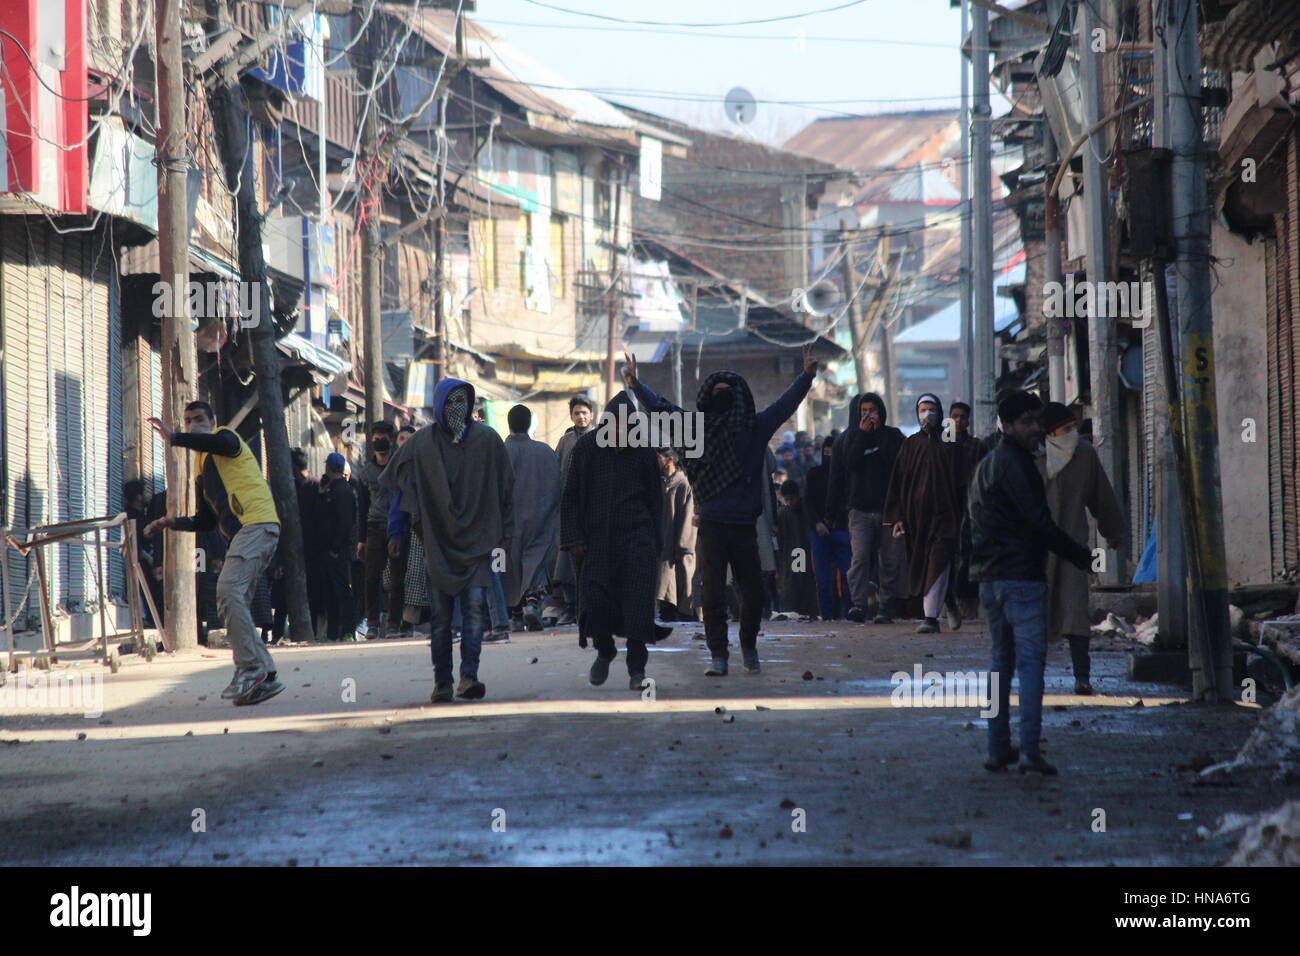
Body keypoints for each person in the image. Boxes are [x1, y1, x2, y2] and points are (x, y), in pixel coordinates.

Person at [623, 345, 818, 676]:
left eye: (728, 393)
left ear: (740, 397)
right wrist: (635, 384)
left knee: (753, 592)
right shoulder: (696, 430)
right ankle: (718, 654)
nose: (723, 398)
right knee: (712, 593)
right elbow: (661, 408)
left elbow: (785, 405)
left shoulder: (754, 428)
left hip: (744, 526)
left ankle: (749, 646)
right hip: (712, 524)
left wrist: (807, 377)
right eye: (717, 393)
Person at [968, 391, 1093, 775]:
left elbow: (969, 523)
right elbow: (1039, 523)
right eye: (1025, 422)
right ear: (1006, 426)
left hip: (991, 580)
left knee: (1000, 664)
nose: (1035, 428)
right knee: (1030, 665)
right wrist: (1078, 555)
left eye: (1036, 420)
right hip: (1021, 578)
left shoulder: (987, 465)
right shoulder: (1017, 466)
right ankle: (1030, 752)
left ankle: (997, 748)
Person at [381, 379, 512, 703]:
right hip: (438, 545)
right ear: (440, 406)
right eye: (451, 403)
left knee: (474, 614)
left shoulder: (488, 441)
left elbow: (507, 489)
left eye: (463, 402)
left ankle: (469, 677)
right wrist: (396, 530)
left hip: (478, 545)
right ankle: (442, 682)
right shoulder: (422, 444)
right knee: (440, 620)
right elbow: (401, 486)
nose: (458, 409)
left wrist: (504, 534)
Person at [144, 402, 283, 705]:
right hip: (244, 534)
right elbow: (207, 520)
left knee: (228, 590)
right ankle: (267, 675)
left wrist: (176, 438)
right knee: (235, 604)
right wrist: (171, 522)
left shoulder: (227, 439)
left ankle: (251, 668)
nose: (194, 425)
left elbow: (217, 441)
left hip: (256, 524)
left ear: (213, 420)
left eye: (199, 420)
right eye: (188, 421)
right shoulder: (201, 466)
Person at [560, 391, 666, 690]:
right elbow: (570, 497)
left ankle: (636, 671)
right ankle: (604, 650)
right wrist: (573, 538)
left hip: (637, 540)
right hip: (596, 541)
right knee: (595, 604)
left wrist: (658, 542)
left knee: (637, 607)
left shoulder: (644, 452)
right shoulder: (587, 448)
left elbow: (656, 502)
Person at [1037, 402, 1125, 695]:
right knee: (1033, 615)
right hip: (1036, 550)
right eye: (1066, 428)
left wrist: (1113, 530)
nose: (1072, 433)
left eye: (1074, 427)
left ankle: (1082, 676)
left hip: (1073, 548)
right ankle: (1030, 675)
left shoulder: (1085, 454)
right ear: (1050, 431)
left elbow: (1101, 494)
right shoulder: (1033, 456)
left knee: (1076, 614)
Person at [883, 393, 960, 633]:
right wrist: (896, 517)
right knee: (925, 563)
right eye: (922, 409)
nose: (927, 414)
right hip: (917, 518)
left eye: (931, 409)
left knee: (938, 558)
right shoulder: (910, 445)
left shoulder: (949, 444)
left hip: (946, 517)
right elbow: (897, 482)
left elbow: (962, 479)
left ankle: (930, 618)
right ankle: (948, 600)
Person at [828, 392, 906, 624]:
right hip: (859, 510)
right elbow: (848, 466)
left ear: (880, 412)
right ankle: (859, 604)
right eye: (864, 411)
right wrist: (830, 513)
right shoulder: (847, 439)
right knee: (860, 558)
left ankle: (885, 605)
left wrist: (879, 434)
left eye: (872, 410)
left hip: (889, 510)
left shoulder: (893, 437)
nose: (869, 414)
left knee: (890, 560)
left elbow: (898, 465)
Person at [503, 404, 561, 630]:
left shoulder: (500, 450)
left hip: (508, 523)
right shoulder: (545, 451)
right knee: (535, 561)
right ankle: (532, 601)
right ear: (529, 424)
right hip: (540, 518)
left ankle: (515, 612)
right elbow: (557, 486)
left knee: (509, 566)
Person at [552, 395, 595, 625]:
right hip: (567, 507)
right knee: (566, 557)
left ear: (592, 415)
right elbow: (555, 469)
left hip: (592, 508)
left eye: (584, 413)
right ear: (571, 416)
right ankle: (571, 606)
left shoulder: (600, 439)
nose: (581, 417)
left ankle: (588, 607)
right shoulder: (565, 440)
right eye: (577, 413)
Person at [355, 420, 399, 639]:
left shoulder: (400, 466)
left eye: (383, 438)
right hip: (374, 528)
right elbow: (362, 506)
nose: (379, 442)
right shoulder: (366, 472)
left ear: (391, 440)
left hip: (398, 527)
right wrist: (361, 539)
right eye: (376, 438)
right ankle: (372, 623)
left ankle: (393, 624)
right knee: (371, 578)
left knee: (398, 578)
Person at [944, 401, 983, 629]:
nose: (958, 421)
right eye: (954, 416)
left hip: (969, 507)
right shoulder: (942, 445)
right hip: (947, 508)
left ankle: (967, 607)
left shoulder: (975, 446)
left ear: (968, 421)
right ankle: (949, 605)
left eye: (962, 417)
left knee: (967, 555)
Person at [804, 435, 851, 620]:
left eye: (833, 451)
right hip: (819, 531)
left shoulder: (846, 476)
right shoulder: (814, 474)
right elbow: (808, 502)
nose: (829, 455)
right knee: (823, 580)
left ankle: (849, 613)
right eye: (826, 451)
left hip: (840, 529)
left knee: (847, 577)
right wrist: (817, 523)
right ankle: (826, 616)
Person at [320, 452, 359, 642]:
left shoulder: (341, 491)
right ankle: (333, 633)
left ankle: (347, 631)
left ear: (329, 467)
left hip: (338, 550)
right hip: (332, 549)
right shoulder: (336, 489)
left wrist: (335, 547)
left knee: (342, 591)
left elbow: (344, 522)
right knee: (330, 592)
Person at [656, 449, 696, 621]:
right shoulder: (659, 483)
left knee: (681, 582)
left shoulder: (683, 484)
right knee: (664, 583)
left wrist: (683, 546)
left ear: (669, 460)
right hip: (663, 543)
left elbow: (689, 517)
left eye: (658, 458)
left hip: (679, 547)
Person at [776, 480, 818, 617]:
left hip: (798, 554)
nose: (789, 502)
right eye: (786, 500)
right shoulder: (785, 513)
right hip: (795, 555)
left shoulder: (790, 513)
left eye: (791, 499)